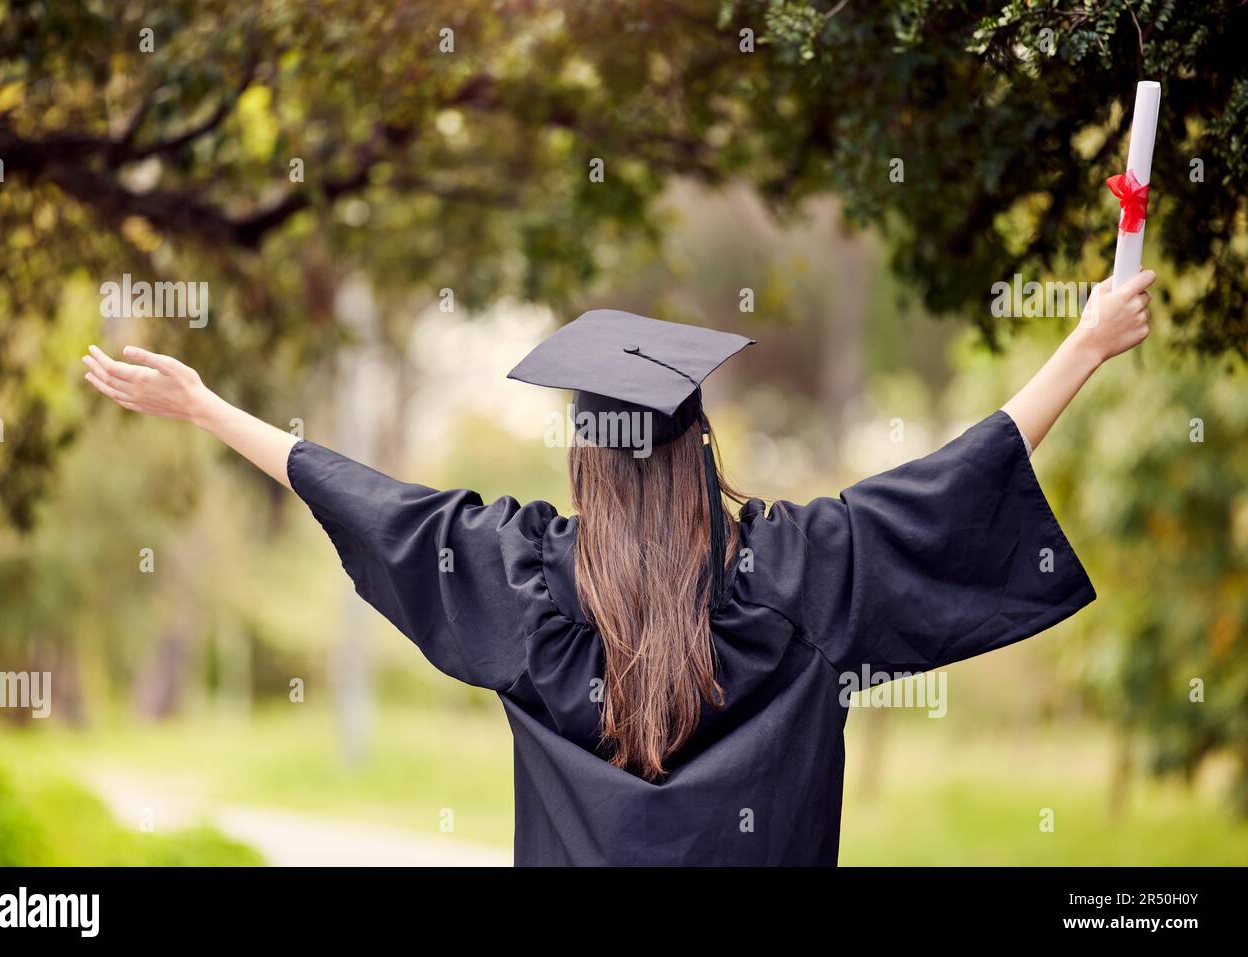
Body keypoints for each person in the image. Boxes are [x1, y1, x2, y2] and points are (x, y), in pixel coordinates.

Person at [81, 269, 1157, 865]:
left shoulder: (522, 585)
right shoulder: (795, 572)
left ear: (588, 463)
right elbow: (951, 486)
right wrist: (1085, 344)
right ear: (697, 444)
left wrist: (206, 407)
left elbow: (380, 507)